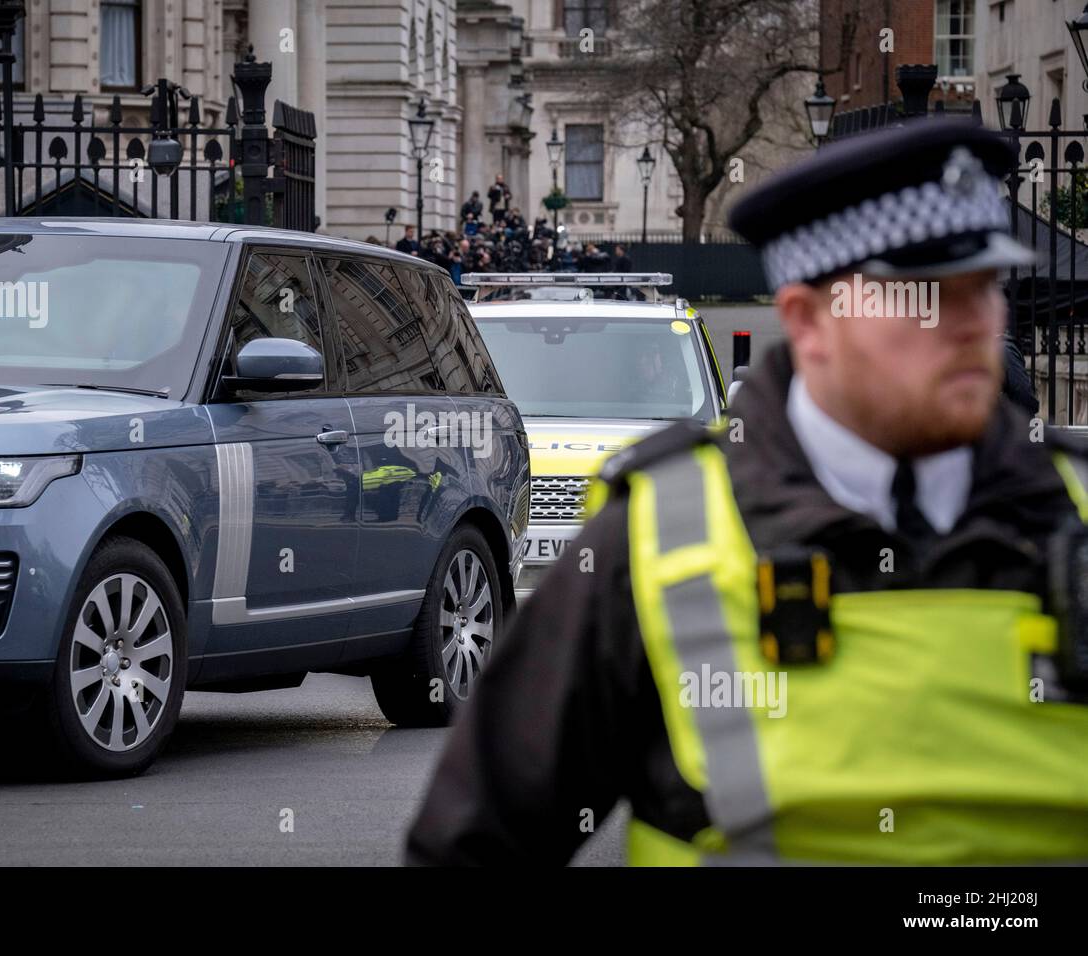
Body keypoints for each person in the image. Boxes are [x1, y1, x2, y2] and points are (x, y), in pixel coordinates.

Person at [406, 119, 1088, 866]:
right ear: (808, 321)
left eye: (984, 289)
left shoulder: (1076, 513)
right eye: (923, 298)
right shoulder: (658, 533)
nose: (971, 326)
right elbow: (476, 840)